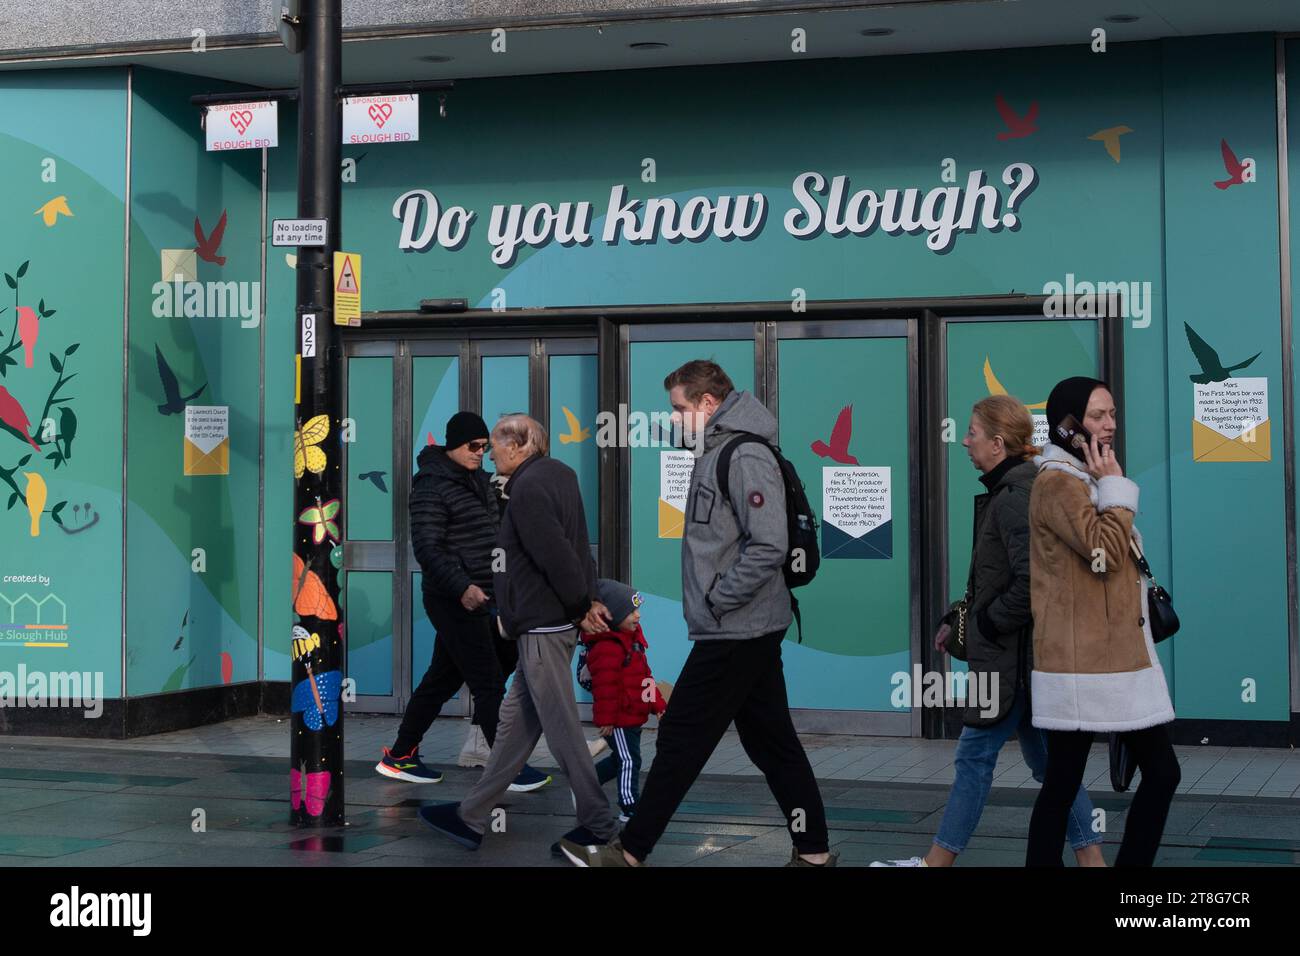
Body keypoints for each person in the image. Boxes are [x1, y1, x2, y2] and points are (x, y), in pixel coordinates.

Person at [560, 360, 835, 868]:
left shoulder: (743, 453)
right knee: (772, 742)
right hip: (742, 626)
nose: (675, 418)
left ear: (708, 404)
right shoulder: (720, 451)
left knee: (682, 734)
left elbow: (769, 544)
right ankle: (814, 851)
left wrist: (718, 599)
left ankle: (631, 850)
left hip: (738, 627)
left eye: (679, 408)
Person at [871, 396, 1104, 867]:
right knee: (1049, 765)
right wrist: (956, 616)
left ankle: (936, 864)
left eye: (973, 432)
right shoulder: (1012, 490)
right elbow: (996, 578)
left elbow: (1032, 582)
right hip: (1019, 661)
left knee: (974, 758)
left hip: (1010, 663)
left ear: (998, 443)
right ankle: (1093, 861)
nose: (964, 439)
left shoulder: (1016, 497)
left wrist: (984, 622)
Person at [418, 414, 620, 852]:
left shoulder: (527, 488)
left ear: (520, 444)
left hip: (543, 625)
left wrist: (581, 604)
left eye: (495, 444)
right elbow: (578, 547)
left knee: (561, 726)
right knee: (513, 726)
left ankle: (599, 822)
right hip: (546, 622)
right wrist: (585, 597)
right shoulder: (560, 474)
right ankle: (470, 815)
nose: (490, 453)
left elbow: (556, 554)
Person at [1025, 377, 1179, 867]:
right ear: (1068, 425)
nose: (1109, 425)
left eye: (1112, 413)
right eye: (1097, 416)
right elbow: (1104, 554)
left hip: (1112, 658)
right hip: (1083, 664)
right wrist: (1115, 490)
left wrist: (1108, 486)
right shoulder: (1056, 483)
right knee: (1071, 781)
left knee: (1071, 780)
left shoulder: (1085, 481)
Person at [376, 411, 549, 793]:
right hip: (454, 599)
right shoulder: (431, 486)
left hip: (482, 597)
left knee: (441, 679)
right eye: (473, 447)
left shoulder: (478, 481)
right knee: (487, 683)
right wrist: (462, 588)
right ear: (453, 445)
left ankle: (400, 755)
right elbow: (428, 547)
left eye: (485, 448)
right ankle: (507, 768)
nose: (480, 453)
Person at [579, 579, 668, 823]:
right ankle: (629, 807)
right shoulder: (607, 647)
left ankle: (584, 787)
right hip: (618, 719)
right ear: (614, 615)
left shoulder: (634, 641)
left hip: (632, 715)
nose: (638, 616)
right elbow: (605, 688)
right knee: (630, 759)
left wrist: (658, 705)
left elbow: (644, 677)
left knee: (620, 759)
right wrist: (606, 720)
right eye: (632, 611)